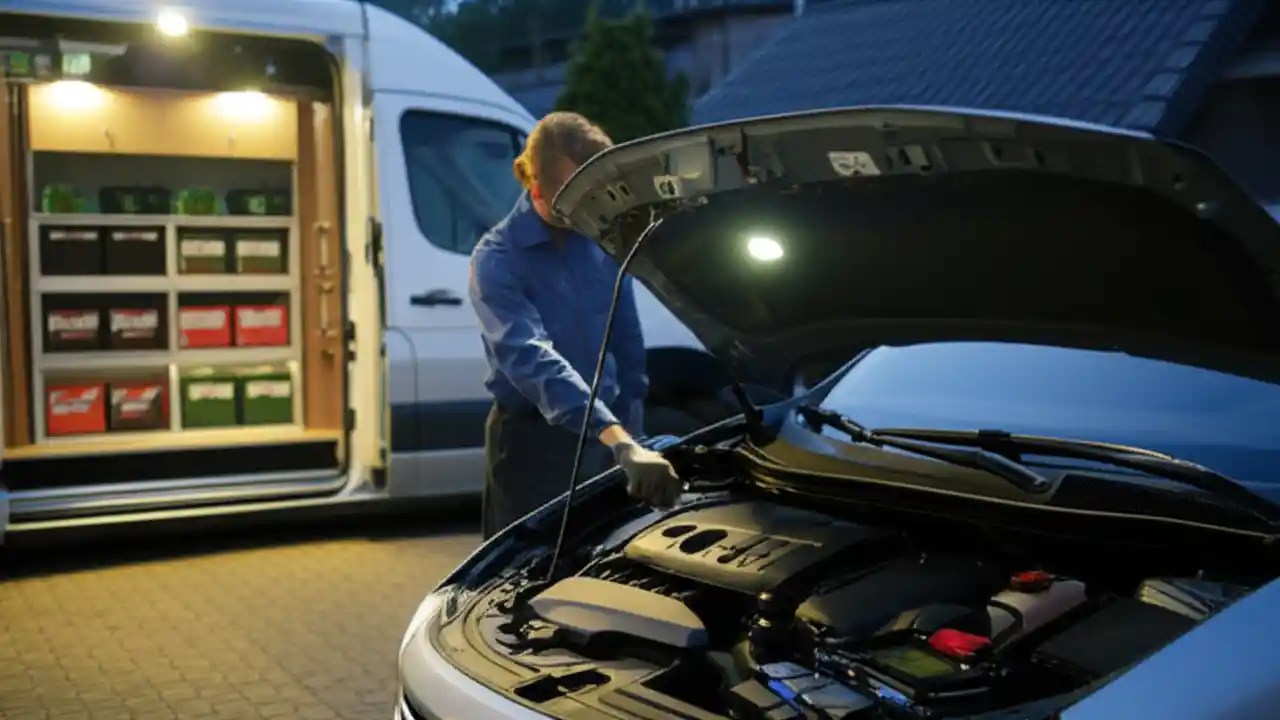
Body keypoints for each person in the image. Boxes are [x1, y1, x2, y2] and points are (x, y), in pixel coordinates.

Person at [469, 111, 682, 539]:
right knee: (528, 577)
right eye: (570, 198)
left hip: (607, 441)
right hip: (533, 448)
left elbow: (626, 342)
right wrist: (619, 440)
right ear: (536, 189)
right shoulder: (496, 259)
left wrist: (634, 435)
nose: (582, 209)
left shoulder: (599, 242)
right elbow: (533, 359)